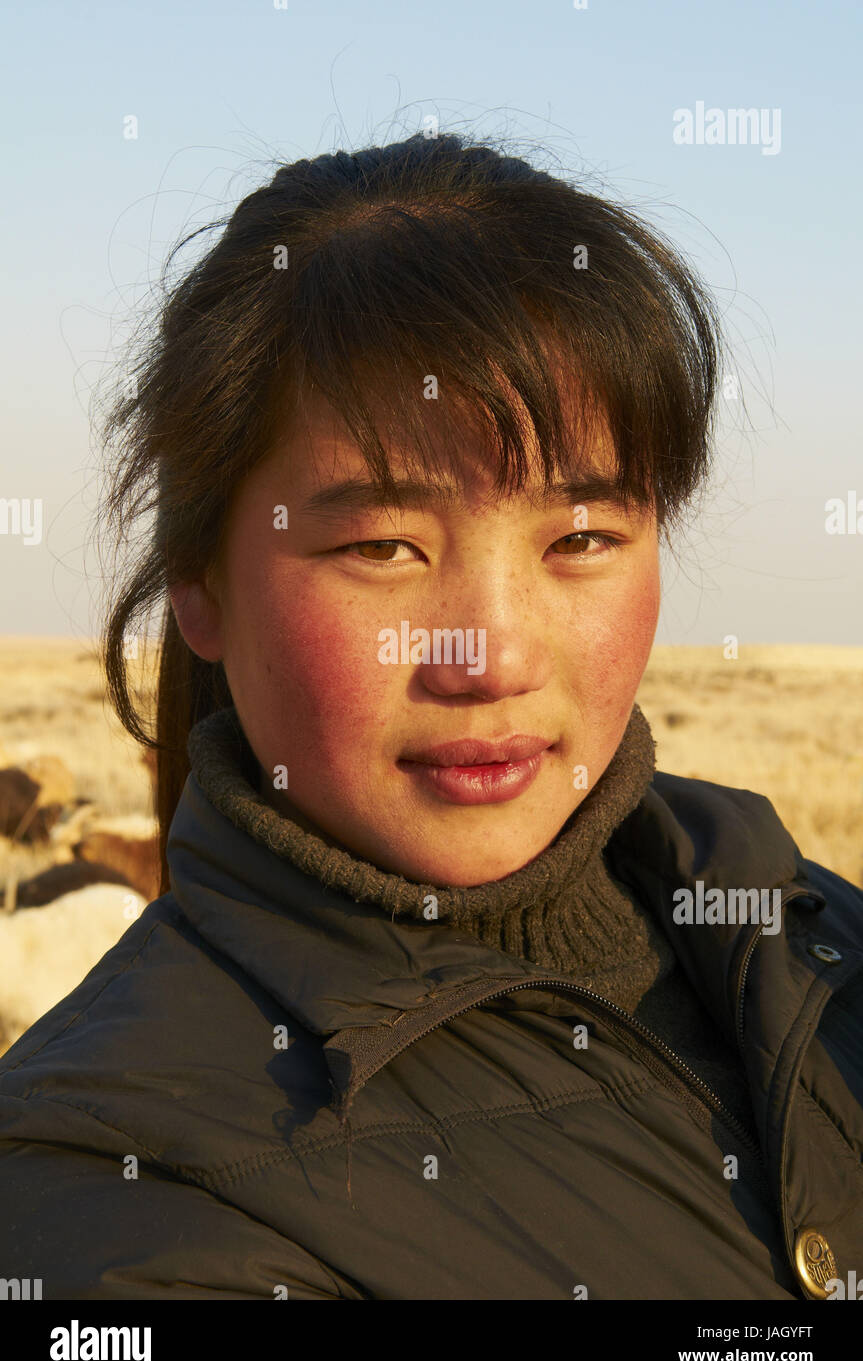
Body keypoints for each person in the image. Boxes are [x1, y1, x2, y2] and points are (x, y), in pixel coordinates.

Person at [0, 133, 860, 1302]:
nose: (490, 655)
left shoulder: (804, 935)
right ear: (199, 579)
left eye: (581, 539)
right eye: (380, 547)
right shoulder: (106, 1196)